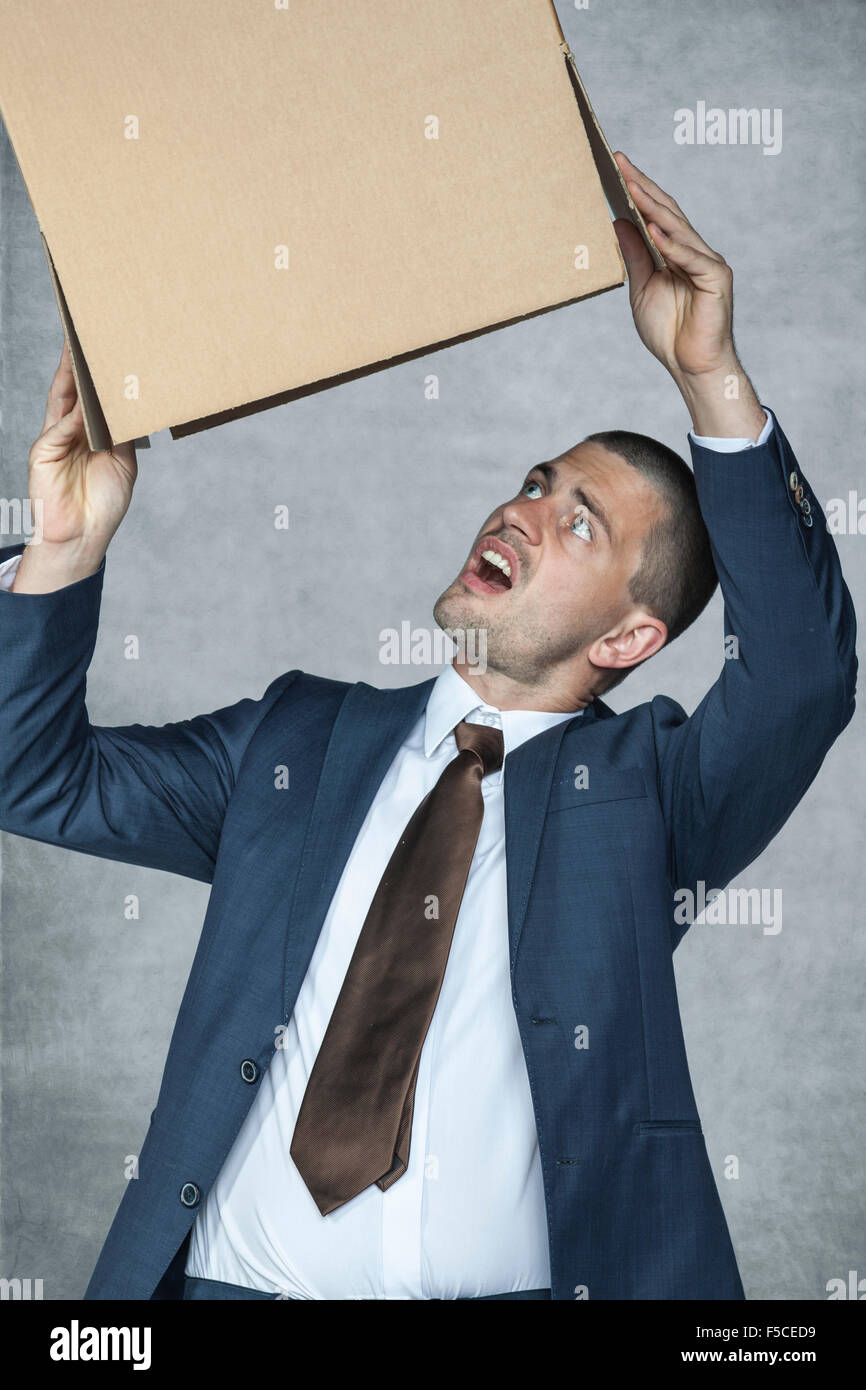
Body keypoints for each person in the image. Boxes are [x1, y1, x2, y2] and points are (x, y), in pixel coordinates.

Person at [0, 154, 856, 1301]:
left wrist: (708, 380)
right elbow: (29, 774)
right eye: (534, 482)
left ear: (625, 641)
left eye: (579, 523)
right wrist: (63, 551)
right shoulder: (292, 741)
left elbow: (801, 679)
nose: (522, 510)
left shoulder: (655, 794)